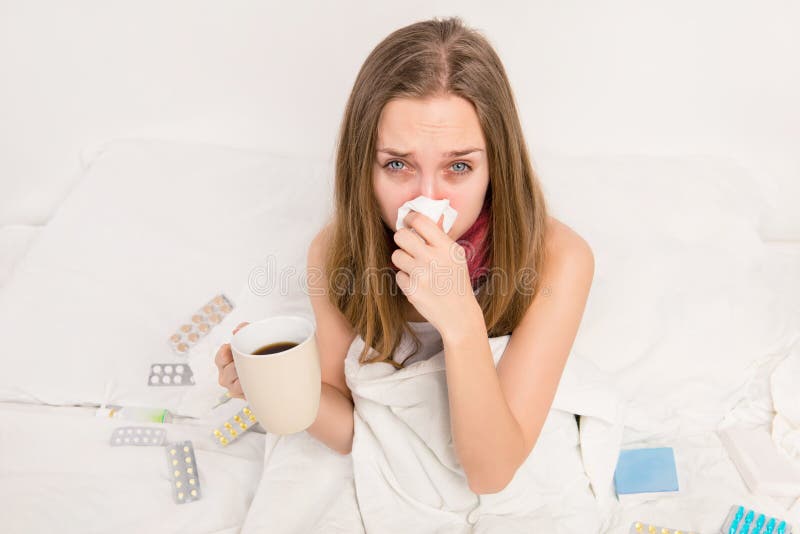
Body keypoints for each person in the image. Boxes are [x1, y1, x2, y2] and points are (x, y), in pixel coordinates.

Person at [215, 15, 594, 496]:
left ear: (496, 165)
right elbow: (355, 430)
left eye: (459, 166)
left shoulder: (560, 257)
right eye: (398, 165)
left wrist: (460, 321)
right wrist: (278, 387)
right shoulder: (334, 253)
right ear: (364, 167)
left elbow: (492, 473)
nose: (427, 200)